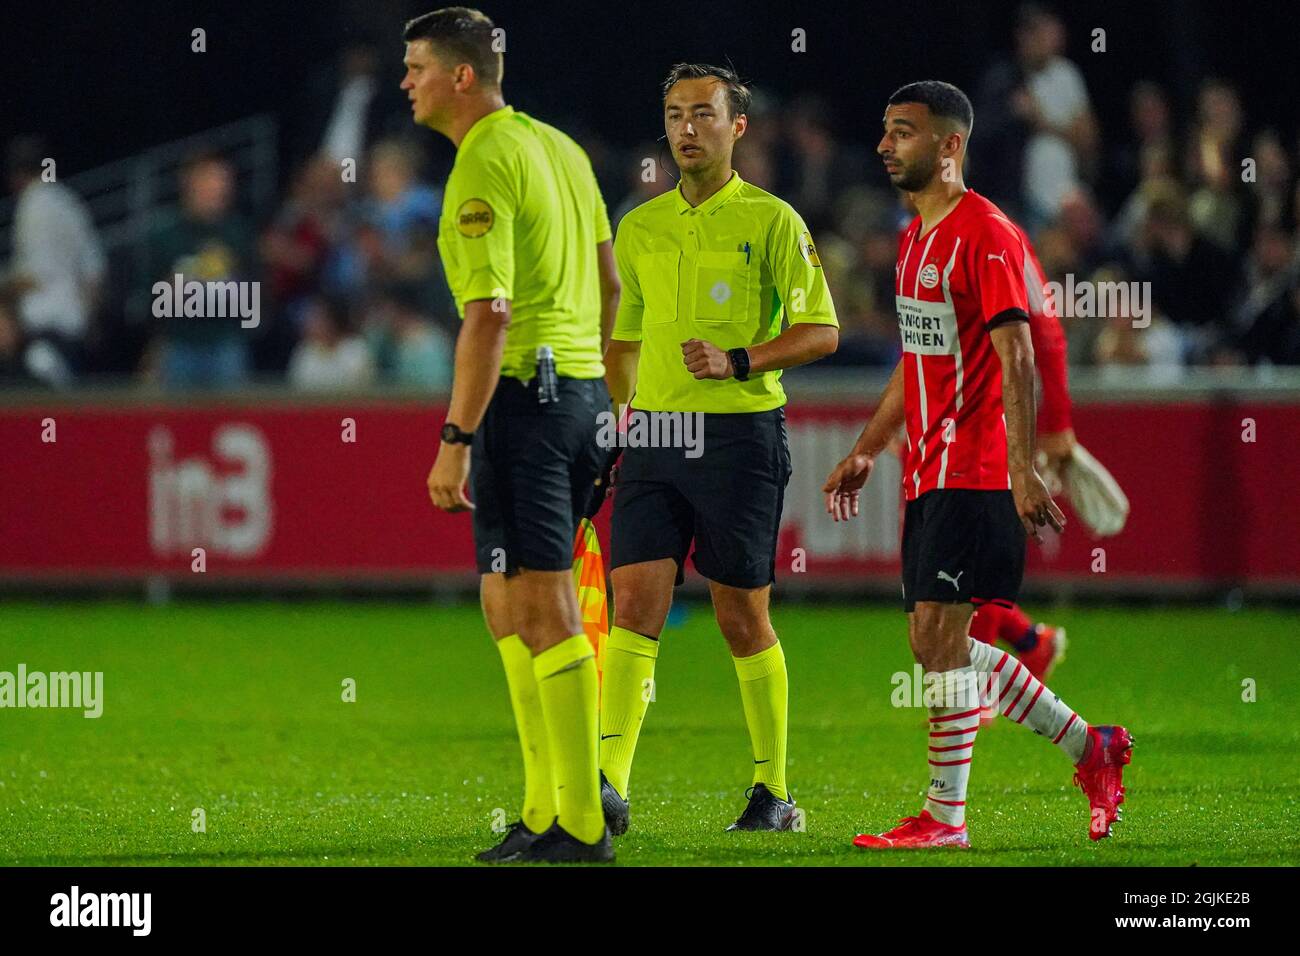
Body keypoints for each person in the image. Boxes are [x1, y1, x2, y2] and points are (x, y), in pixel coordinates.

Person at [822, 81, 1131, 849]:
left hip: (979, 462)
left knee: (942, 638)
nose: (886, 145)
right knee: (934, 645)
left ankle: (947, 817)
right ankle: (1092, 748)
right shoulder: (913, 237)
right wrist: (866, 446)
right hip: (927, 467)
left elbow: (1018, 349)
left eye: (903, 132)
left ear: (949, 146)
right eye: (886, 131)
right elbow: (915, 359)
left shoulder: (987, 233)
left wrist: (1025, 467)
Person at [405, 6, 620, 863]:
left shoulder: (483, 161)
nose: (406, 81)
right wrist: (606, 391)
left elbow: (489, 316)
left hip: (526, 406)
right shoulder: (561, 150)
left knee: (544, 602)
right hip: (573, 396)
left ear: (462, 76)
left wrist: (456, 435)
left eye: (416, 65)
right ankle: (545, 808)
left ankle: (583, 822)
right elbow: (608, 284)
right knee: (507, 602)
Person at [599, 63, 839, 834]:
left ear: (739, 127)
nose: (686, 128)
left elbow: (823, 330)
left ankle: (773, 791)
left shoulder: (772, 222)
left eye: (704, 114)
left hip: (739, 436)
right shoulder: (639, 226)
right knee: (633, 605)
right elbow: (624, 340)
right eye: (674, 114)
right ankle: (607, 785)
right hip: (656, 437)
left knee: (741, 615)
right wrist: (613, 418)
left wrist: (741, 360)